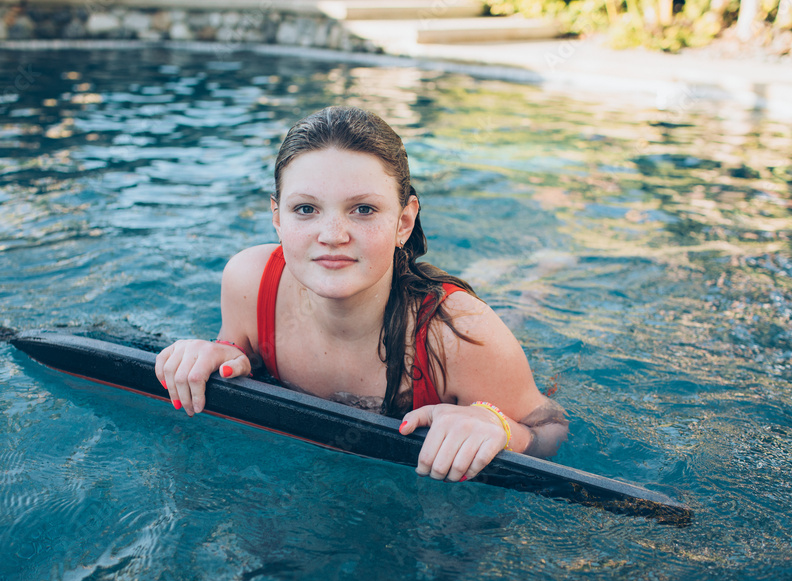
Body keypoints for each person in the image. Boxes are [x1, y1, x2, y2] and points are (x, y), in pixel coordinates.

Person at [155, 106, 567, 483]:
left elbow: (549, 428)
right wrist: (214, 355)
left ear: (404, 221)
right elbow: (241, 358)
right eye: (305, 209)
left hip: (451, 331)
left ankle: (543, 269)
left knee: (517, 307)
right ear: (277, 218)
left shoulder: (460, 332)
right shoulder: (250, 280)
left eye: (363, 210)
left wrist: (497, 426)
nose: (333, 236)